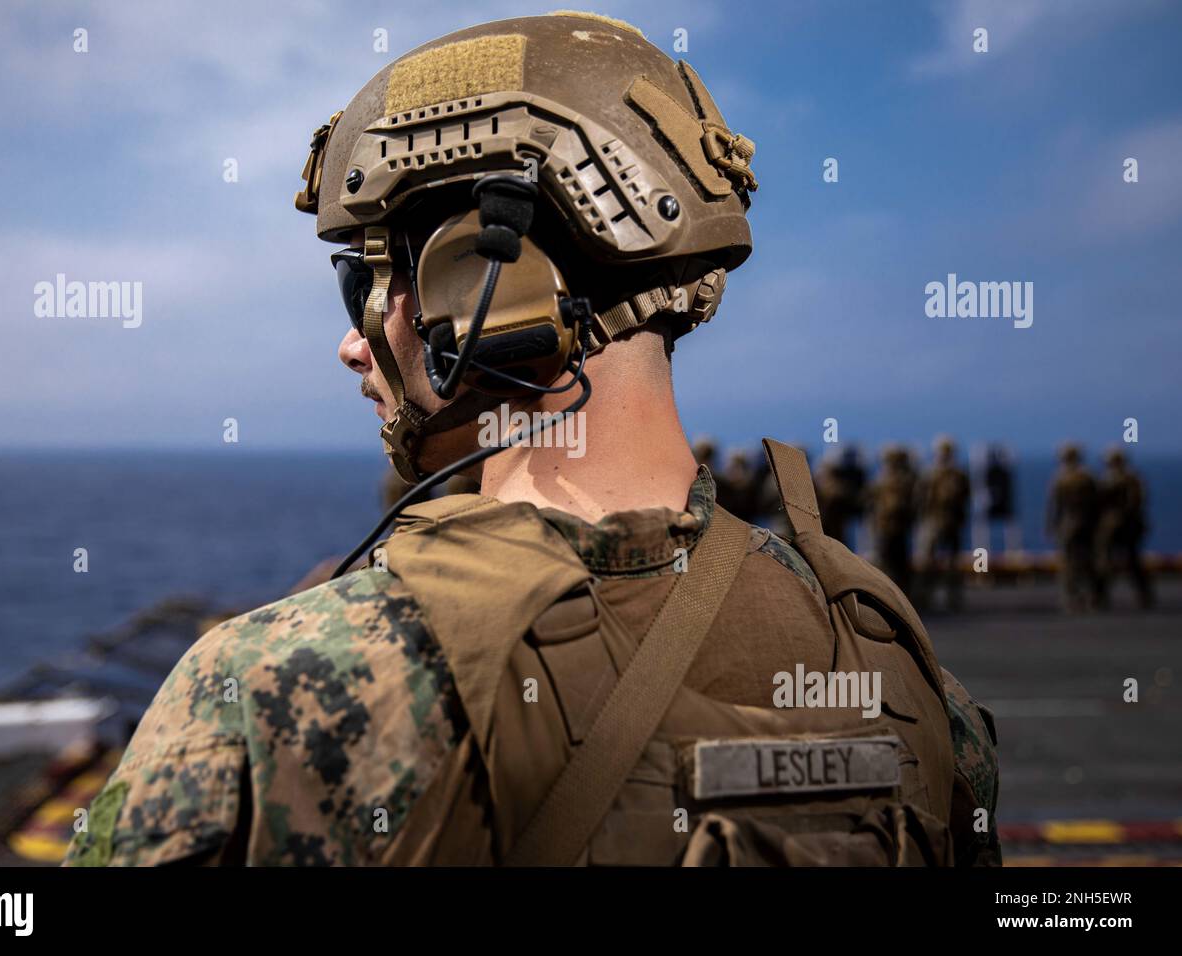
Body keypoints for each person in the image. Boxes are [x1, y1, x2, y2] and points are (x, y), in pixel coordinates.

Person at [65, 13, 997, 868]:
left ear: (485, 286)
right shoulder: (896, 674)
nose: (352, 343)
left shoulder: (267, 691)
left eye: (365, 286)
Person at [1095, 447, 1153, 609]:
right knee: (1132, 562)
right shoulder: (1133, 479)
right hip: (1129, 525)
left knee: (1106, 561)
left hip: (1114, 526)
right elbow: (1139, 501)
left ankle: (1100, 597)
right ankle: (1143, 595)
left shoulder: (1109, 480)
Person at [1046, 443, 1100, 612]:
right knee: (1089, 560)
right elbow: (1098, 503)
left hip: (1068, 525)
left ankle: (1072, 598)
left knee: (1069, 563)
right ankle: (1094, 596)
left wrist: (1051, 525)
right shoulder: (1088, 477)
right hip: (1088, 524)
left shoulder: (1061, 479)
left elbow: (1054, 506)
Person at [919, 436, 971, 612]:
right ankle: (952, 599)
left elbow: (922, 499)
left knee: (931, 561)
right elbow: (966, 498)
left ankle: (927, 598)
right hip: (952, 522)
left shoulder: (931, 474)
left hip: (935, 522)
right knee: (951, 562)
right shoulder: (960, 475)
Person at [867, 445, 919, 597]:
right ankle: (900, 596)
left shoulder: (890, 481)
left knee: (891, 563)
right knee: (897, 563)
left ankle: (890, 596)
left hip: (890, 527)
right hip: (893, 527)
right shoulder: (905, 480)